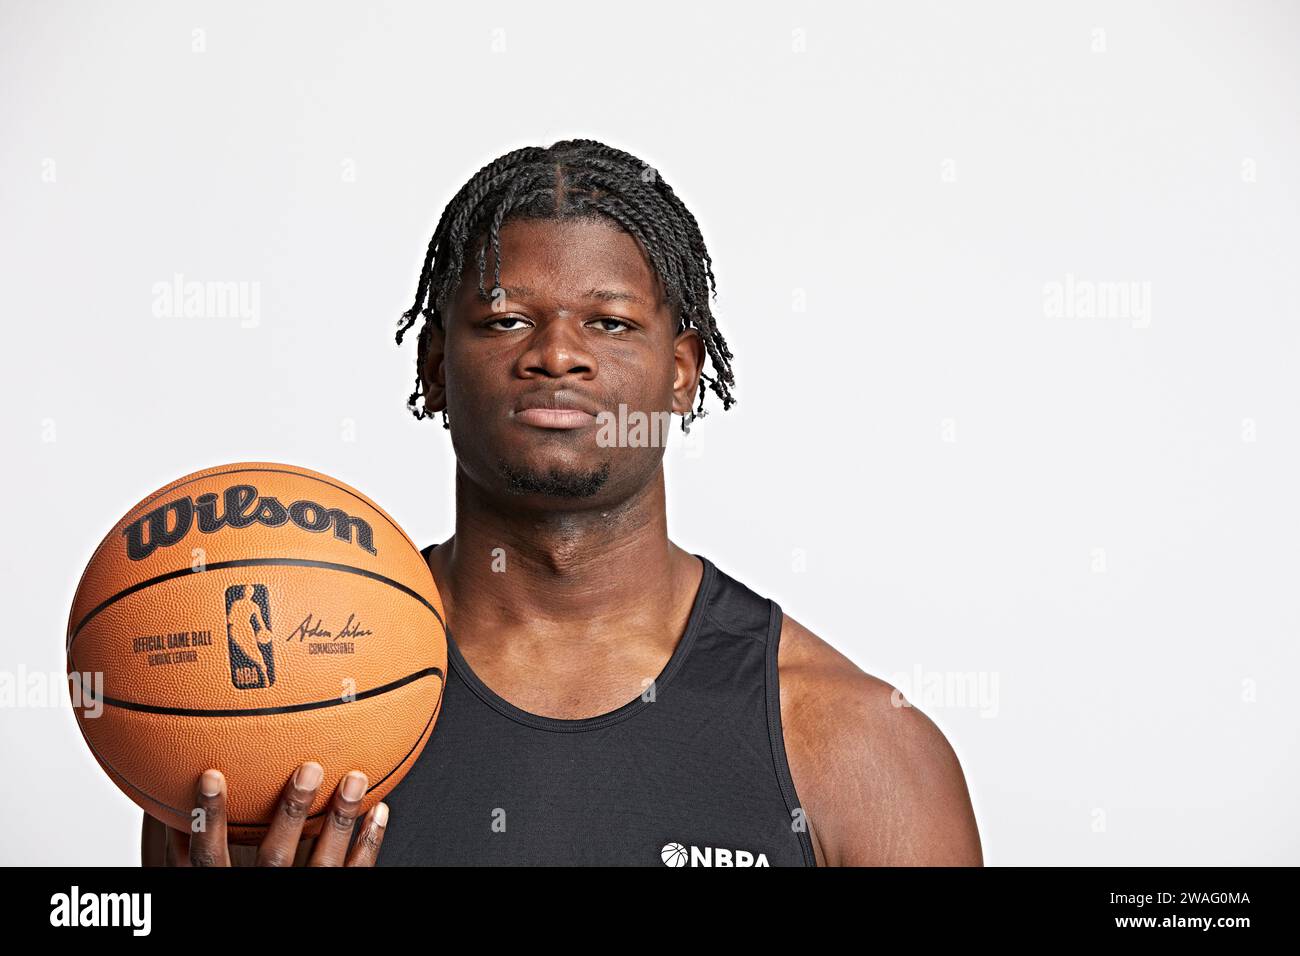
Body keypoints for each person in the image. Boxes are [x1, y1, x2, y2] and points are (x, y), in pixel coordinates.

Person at [143, 139, 982, 867]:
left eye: (609, 323)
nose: (556, 354)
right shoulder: (263, 713)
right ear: (433, 368)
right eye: (506, 320)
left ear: (682, 373)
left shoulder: (851, 741)